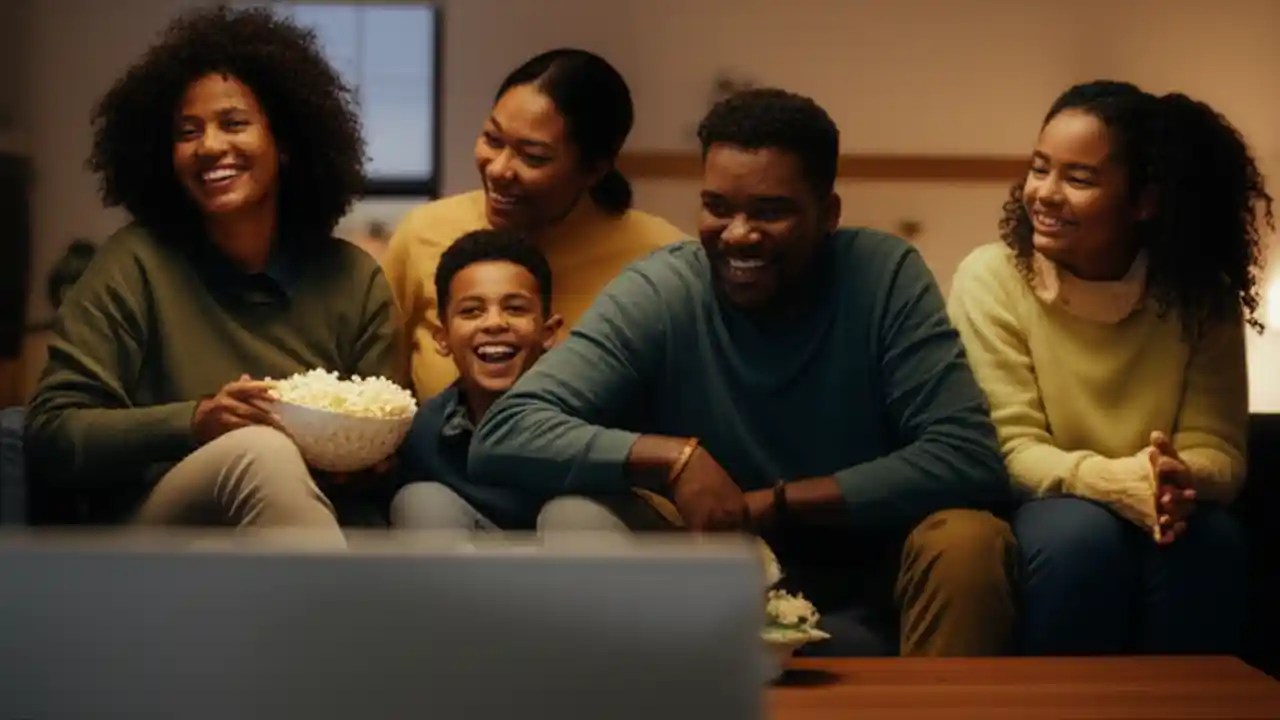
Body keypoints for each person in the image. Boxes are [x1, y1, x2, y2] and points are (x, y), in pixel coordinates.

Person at [471, 88, 1016, 656]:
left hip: (872, 569)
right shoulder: (663, 289)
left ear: (828, 214)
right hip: (712, 576)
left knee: (970, 541)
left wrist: (774, 504)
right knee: (574, 515)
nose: (737, 233)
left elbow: (966, 455)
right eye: (717, 206)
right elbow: (507, 430)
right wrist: (676, 460)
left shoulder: (882, 275)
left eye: (770, 211)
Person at [24, 7, 400, 544]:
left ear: (286, 142)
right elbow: (52, 430)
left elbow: (379, 448)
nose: (209, 147)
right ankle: (338, 625)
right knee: (261, 451)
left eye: (234, 123)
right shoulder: (135, 264)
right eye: (187, 131)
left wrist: (363, 461)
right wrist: (197, 421)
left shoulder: (354, 281)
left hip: (310, 530)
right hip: (155, 538)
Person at [948, 80, 1269, 654]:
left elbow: (1219, 448)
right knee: (1077, 535)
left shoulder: (1199, 297)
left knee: (1211, 540)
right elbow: (1012, 449)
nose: (1044, 194)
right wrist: (1118, 482)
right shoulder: (991, 278)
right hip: (1043, 502)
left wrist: (1177, 478)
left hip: (1165, 503)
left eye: (1079, 178)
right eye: (1039, 168)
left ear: (1145, 199)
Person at [382, 48, 684, 400]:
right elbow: (382, 397)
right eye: (493, 139)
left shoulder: (663, 261)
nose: (498, 169)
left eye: (533, 157)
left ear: (594, 169)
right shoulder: (424, 232)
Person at [390, 229, 561, 530]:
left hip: (572, 563)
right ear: (442, 338)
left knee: (574, 512)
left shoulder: (586, 418)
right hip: (471, 564)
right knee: (418, 500)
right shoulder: (425, 435)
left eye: (515, 308)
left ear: (548, 333)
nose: (494, 323)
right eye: (471, 311)